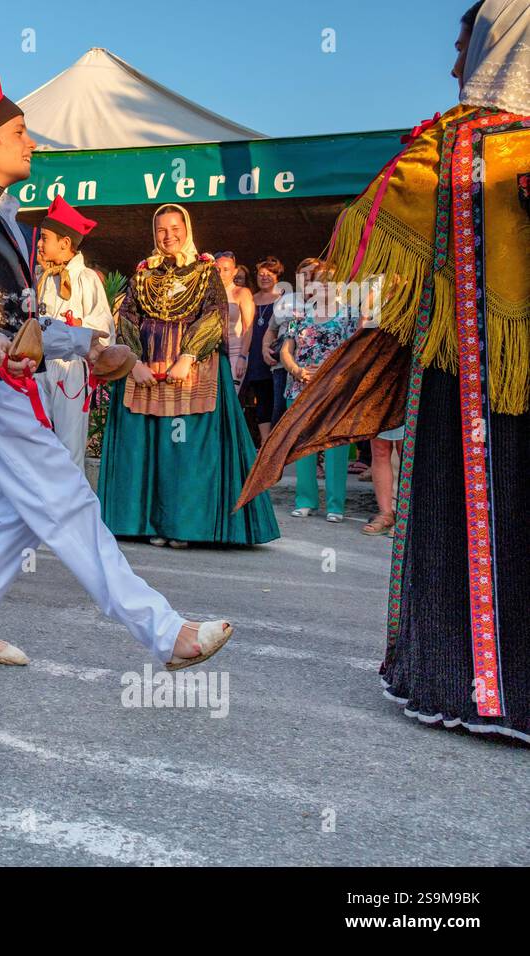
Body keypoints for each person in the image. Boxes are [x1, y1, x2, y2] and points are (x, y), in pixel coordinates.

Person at [241, 0, 530, 740]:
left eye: (465, 43)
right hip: (502, 369)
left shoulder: (450, 145)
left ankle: (464, 681)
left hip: (463, 381)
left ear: (495, 42)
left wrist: (314, 336)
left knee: (465, 514)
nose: (452, 62)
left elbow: (357, 242)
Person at [0, 59, 233, 668]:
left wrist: (84, 344)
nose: (30, 141)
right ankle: (166, 632)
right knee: (68, 502)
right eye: (18, 133)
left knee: (17, 515)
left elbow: (19, 317)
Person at [97, 204, 280, 548]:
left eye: (175, 227)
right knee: (150, 446)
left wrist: (188, 356)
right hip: (148, 368)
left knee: (187, 448)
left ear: (187, 229)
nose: (169, 236)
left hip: (195, 369)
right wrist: (133, 361)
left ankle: (185, 525)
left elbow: (213, 315)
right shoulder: (142, 274)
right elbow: (127, 318)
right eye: (162, 229)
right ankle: (146, 522)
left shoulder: (205, 271)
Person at [34, 195, 112, 468]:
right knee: (37, 440)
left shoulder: (86, 279)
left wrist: (80, 328)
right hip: (39, 365)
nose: (39, 244)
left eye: (44, 238)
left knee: (69, 445)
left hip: (70, 371)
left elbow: (103, 326)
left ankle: (72, 508)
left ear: (65, 243)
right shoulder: (39, 278)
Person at [280, 264, 359, 521]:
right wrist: (297, 371)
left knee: (335, 447)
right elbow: (285, 350)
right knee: (303, 445)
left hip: (335, 387)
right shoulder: (299, 314)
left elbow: (354, 353)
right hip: (301, 386)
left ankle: (335, 506)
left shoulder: (349, 315)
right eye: (319, 282)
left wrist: (331, 372)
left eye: (329, 282)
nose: (324, 286)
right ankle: (305, 501)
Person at [263, 256, 320, 426]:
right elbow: (271, 329)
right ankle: (277, 452)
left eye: (313, 274)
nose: (308, 278)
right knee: (281, 413)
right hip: (283, 366)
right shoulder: (286, 300)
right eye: (304, 274)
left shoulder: (328, 302)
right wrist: (265, 347)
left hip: (314, 366)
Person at [243, 256, 283, 442]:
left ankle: (280, 441)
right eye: (261, 274)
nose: (264, 277)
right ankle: (266, 442)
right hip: (255, 356)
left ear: (277, 276)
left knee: (278, 400)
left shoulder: (284, 299)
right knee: (262, 399)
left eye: (269, 274)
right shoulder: (250, 299)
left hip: (277, 356)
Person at [215, 252, 254, 393]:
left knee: (230, 394)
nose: (221, 273)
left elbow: (248, 327)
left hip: (234, 352)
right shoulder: (208, 294)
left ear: (234, 271)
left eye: (226, 269)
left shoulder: (241, 293)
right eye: (217, 269)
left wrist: (243, 357)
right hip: (212, 354)